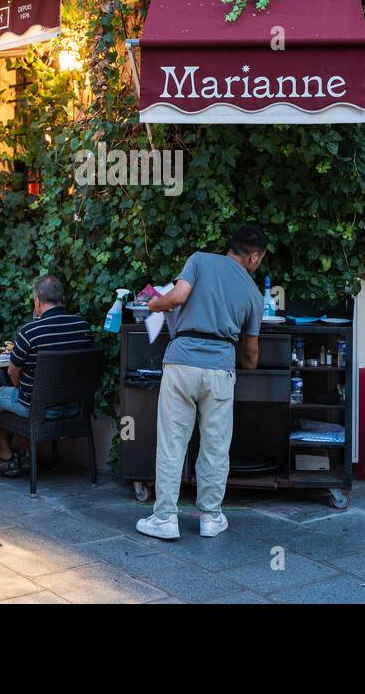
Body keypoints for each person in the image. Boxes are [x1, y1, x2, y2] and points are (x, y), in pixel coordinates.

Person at [136, 225, 267, 541]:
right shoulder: (254, 294)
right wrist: (245, 363)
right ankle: (210, 516)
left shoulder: (199, 260)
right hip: (220, 369)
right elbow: (250, 352)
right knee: (215, 445)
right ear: (253, 256)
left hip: (181, 362)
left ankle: (165, 518)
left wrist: (151, 305)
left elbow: (177, 297)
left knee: (172, 441)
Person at [0, 275, 94, 478]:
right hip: (75, 408)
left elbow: (12, 371)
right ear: (63, 298)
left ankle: (6, 458)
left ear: (37, 300)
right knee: (25, 397)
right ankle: (24, 454)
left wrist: (19, 388)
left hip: (39, 410)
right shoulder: (83, 327)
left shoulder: (31, 331)